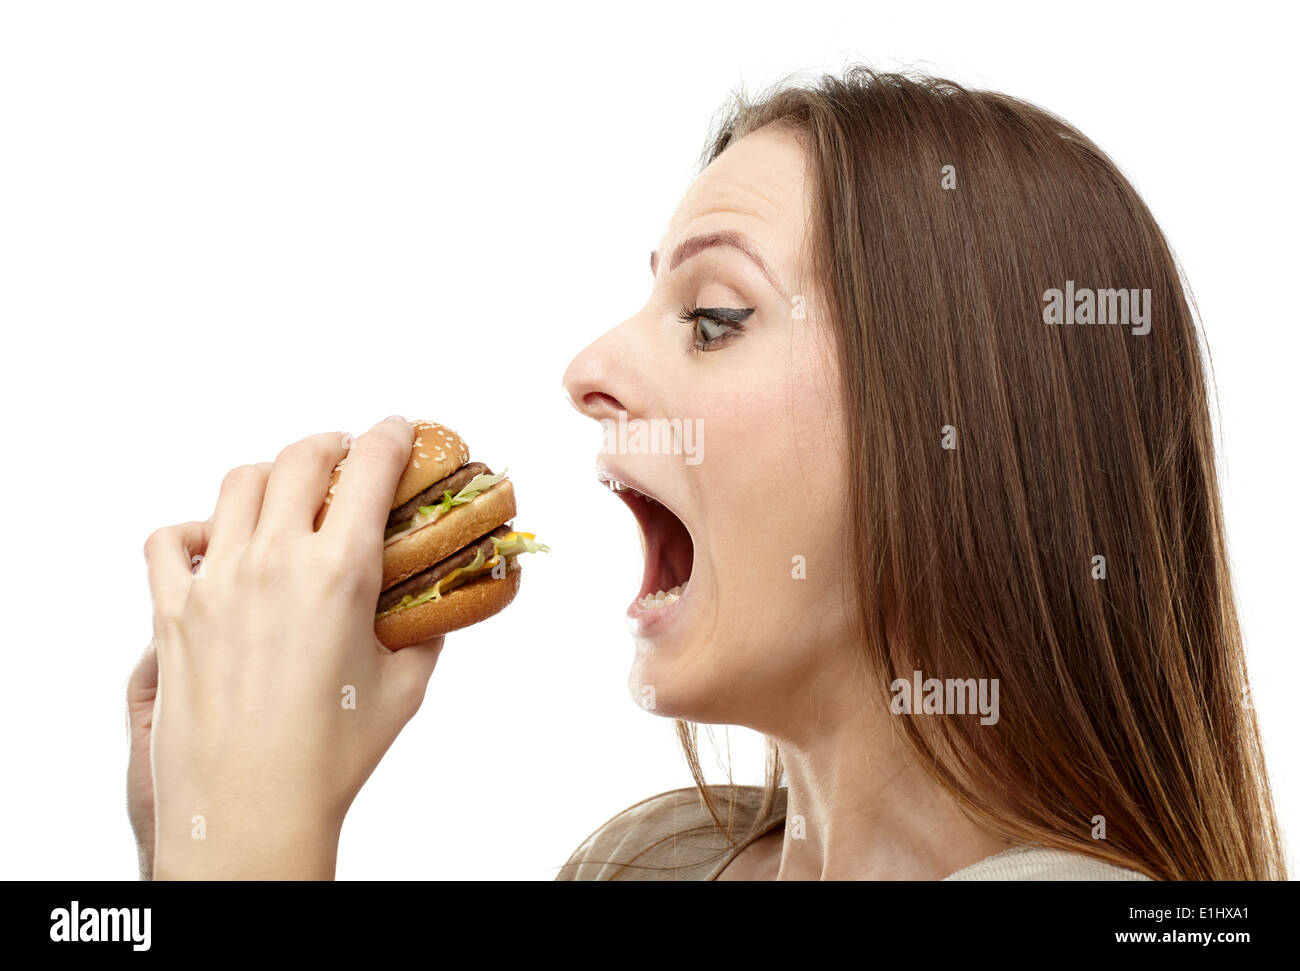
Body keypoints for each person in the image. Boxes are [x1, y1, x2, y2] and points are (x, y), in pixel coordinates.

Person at [131, 67, 1287, 880]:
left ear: (956, 426)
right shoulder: (653, 858)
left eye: (716, 317)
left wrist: (242, 843)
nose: (588, 367)